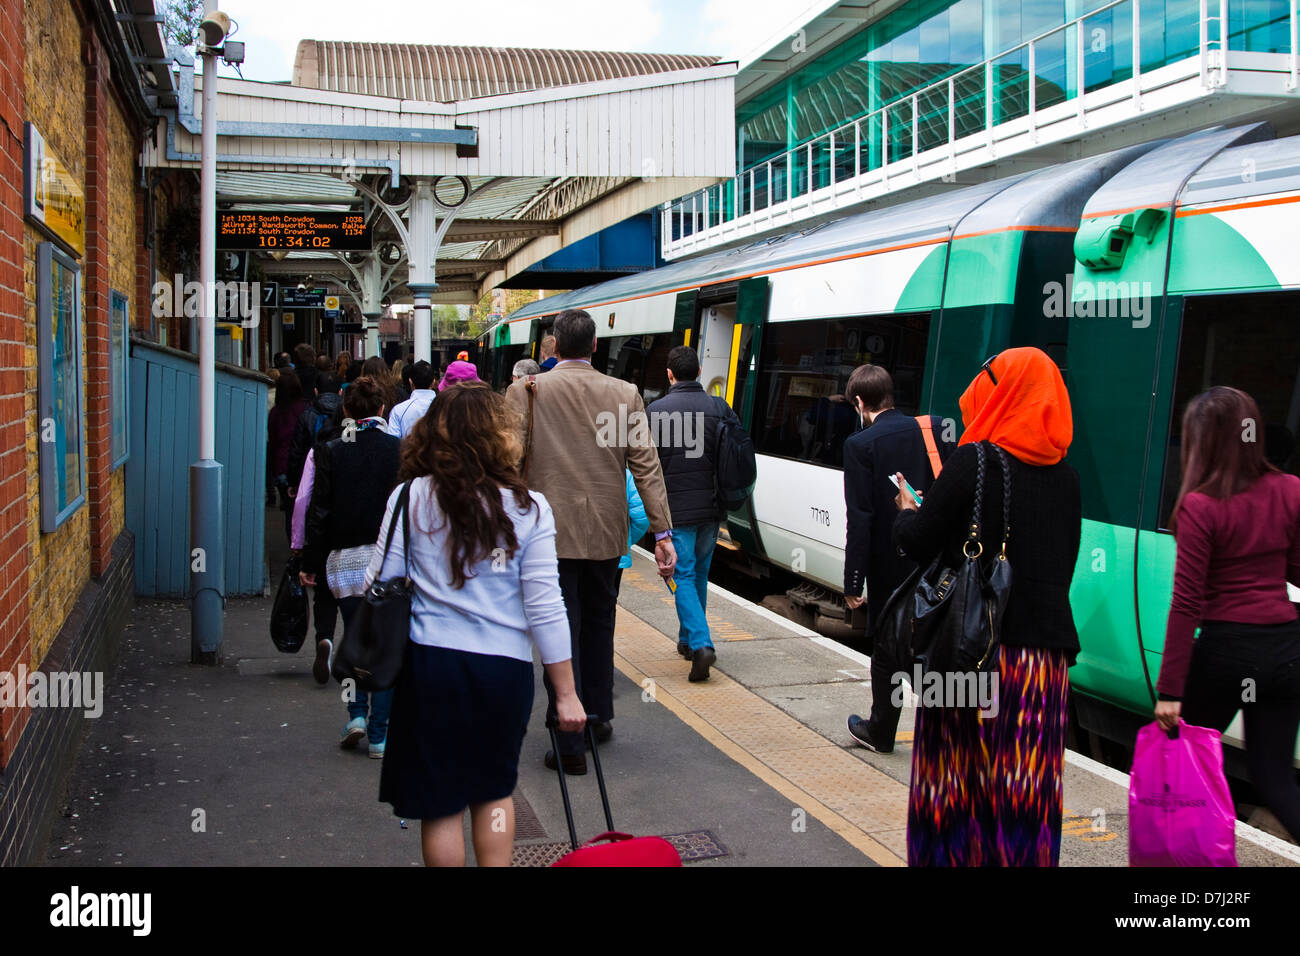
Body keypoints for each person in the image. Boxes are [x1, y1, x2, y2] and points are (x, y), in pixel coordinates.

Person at [375, 381, 585, 866]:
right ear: (501, 436)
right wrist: (567, 692)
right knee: (493, 792)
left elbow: (381, 580)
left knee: (441, 803)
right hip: (503, 672)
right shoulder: (530, 508)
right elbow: (546, 605)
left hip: (430, 667)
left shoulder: (409, 498)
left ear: (434, 435)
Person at [891, 347, 1080, 867]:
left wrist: (906, 511)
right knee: (1026, 792)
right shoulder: (1067, 476)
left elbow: (919, 541)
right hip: (1041, 666)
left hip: (967, 650)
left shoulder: (974, 459)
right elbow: (1063, 563)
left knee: (951, 780)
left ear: (1000, 392)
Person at [505, 308, 675, 774]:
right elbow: (646, 465)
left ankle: (568, 742)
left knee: (560, 631)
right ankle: (596, 716)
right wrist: (661, 532)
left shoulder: (525, 391)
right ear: (596, 346)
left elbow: (506, 458)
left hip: (547, 536)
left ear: (554, 347)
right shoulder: (624, 394)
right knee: (599, 625)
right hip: (606, 532)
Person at [1154, 386, 1300, 842]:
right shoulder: (1290, 489)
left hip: (1227, 653)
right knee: (1275, 775)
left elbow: (1187, 602)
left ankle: (1180, 853)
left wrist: (1170, 691)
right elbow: (1297, 569)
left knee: (1182, 760)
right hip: (1285, 651)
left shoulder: (1200, 505)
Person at [842, 364, 956, 753]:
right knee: (927, 643)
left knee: (889, 648)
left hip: (891, 563)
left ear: (860, 402)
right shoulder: (935, 427)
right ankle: (900, 727)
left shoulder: (860, 445)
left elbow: (860, 520)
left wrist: (853, 582)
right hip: (938, 560)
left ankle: (883, 730)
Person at [301, 377, 402, 756]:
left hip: (344, 562)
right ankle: (379, 734)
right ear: (381, 409)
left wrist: (310, 562)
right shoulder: (400, 449)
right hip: (388, 561)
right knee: (386, 648)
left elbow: (319, 511)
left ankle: (356, 714)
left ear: (346, 411)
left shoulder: (331, 450)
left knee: (355, 640)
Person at [646, 345, 740, 682]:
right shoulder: (719, 408)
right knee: (698, 574)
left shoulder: (655, 411)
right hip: (712, 510)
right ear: (699, 372)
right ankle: (687, 640)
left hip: (676, 511)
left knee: (680, 576)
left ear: (669, 374)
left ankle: (701, 644)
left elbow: (646, 465)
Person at [267, 369, 308, 540]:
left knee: (290, 512)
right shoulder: (305, 409)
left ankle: (293, 549)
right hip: (304, 466)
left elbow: (273, 442)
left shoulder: (275, 413)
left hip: (282, 466)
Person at [287, 373, 342, 494]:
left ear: (316, 391)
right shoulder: (349, 417)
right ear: (340, 392)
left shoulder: (306, 416)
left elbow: (296, 451)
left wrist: (293, 481)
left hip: (311, 476)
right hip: (340, 478)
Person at [616, 468, 649, 592]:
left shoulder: (563, 471)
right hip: (615, 550)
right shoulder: (624, 473)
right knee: (607, 603)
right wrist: (626, 540)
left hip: (570, 553)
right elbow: (641, 518)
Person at [387, 360, 437, 439]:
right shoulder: (446, 408)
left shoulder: (398, 411)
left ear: (410, 382)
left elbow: (393, 443)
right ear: (434, 382)